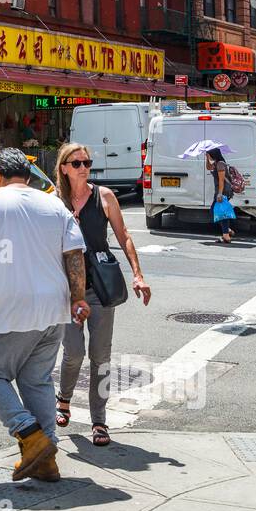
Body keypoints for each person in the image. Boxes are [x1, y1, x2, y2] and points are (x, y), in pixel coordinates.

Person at [0, 148, 90, 483]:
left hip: (6, 311)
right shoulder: (53, 203)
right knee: (36, 379)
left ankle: (29, 433)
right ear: (26, 174)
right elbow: (74, 254)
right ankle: (47, 460)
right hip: (53, 310)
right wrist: (77, 297)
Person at [52, 142, 151, 447]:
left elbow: (124, 236)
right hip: (66, 292)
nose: (84, 167)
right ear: (64, 168)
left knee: (101, 357)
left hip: (100, 288)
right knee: (74, 354)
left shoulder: (104, 197)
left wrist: (137, 274)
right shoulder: (53, 202)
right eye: (77, 163)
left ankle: (99, 420)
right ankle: (64, 398)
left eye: (87, 163)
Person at [206, 146, 235, 243]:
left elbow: (222, 181)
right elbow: (208, 167)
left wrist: (220, 194)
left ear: (213, 154)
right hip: (220, 191)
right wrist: (206, 158)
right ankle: (227, 231)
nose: (209, 156)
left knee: (219, 212)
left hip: (223, 191)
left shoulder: (220, 164)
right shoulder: (216, 163)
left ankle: (226, 235)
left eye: (209, 154)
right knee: (218, 212)